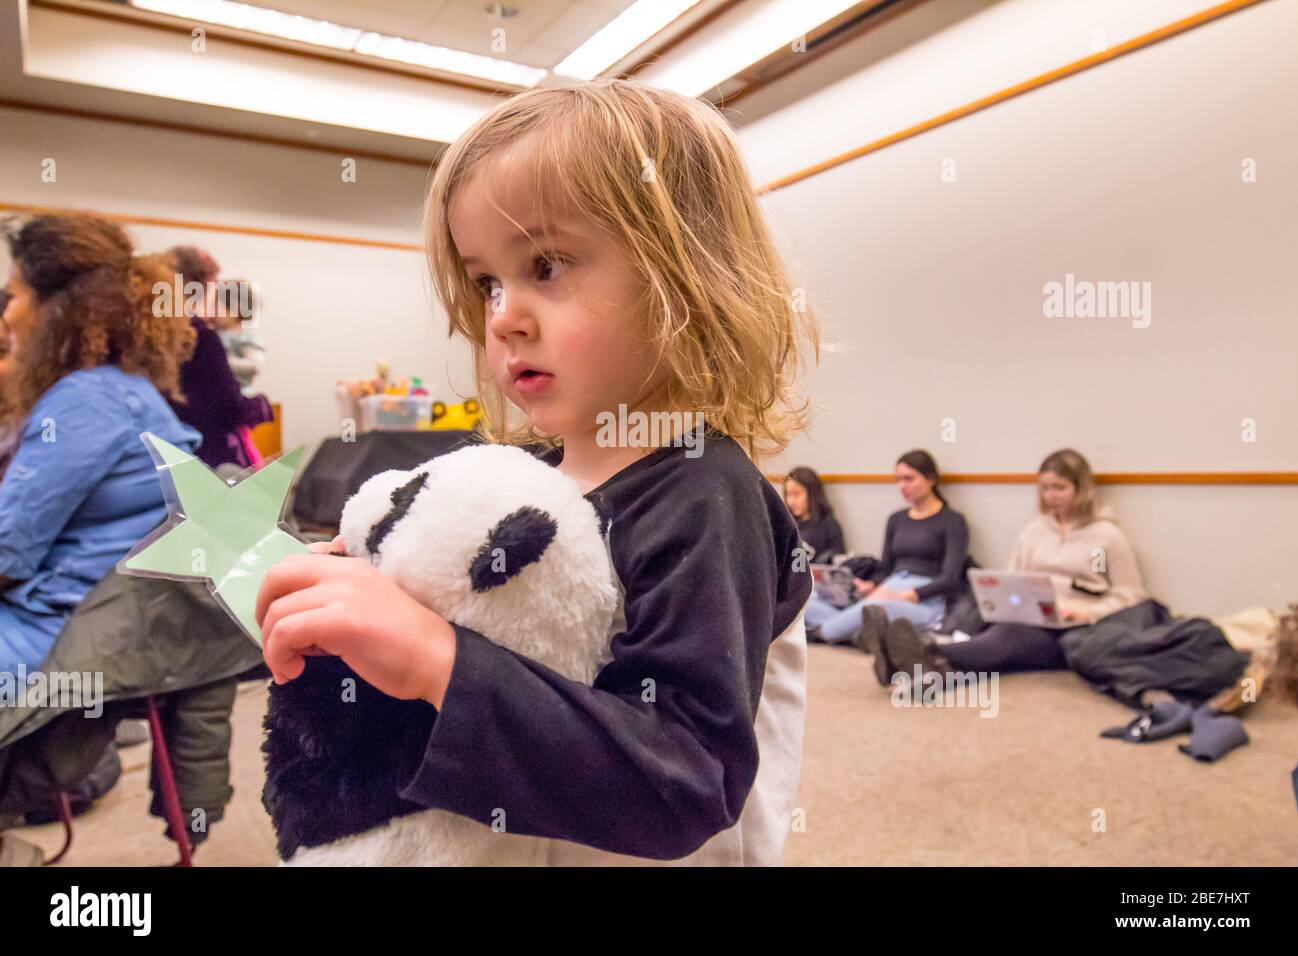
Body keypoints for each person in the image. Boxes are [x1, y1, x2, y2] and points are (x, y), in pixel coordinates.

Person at [254, 79, 819, 865]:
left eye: (547, 265)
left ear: (683, 274)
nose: (503, 316)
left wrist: (436, 658)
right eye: (488, 281)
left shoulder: (705, 493)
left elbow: (690, 781)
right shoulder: (522, 475)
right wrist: (372, 597)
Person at [0, 214, 200, 673]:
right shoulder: (125, 390)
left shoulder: (85, 400)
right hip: (109, 623)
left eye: (16, 295)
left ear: (56, 309)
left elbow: (7, 553)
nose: (7, 313)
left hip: (55, 637)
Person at [877, 447, 1146, 682]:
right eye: (1045, 488)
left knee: (1007, 639)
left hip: (1075, 628)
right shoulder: (1035, 532)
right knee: (983, 619)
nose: (1051, 495)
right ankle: (921, 661)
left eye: (1060, 487)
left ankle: (925, 655)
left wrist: (1085, 612)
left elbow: (1128, 597)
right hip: (1032, 616)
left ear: (1081, 489)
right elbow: (1013, 579)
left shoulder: (1104, 538)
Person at [805, 450, 969, 664]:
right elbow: (885, 567)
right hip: (889, 587)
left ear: (930, 479)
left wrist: (905, 596)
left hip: (924, 600)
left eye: (909, 479)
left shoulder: (953, 521)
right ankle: (855, 634)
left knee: (874, 609)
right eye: (898, 479)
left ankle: (820, 634)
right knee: (811, 598)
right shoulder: (897, 519)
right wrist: (871, 584)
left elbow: (950, 578)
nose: (902, 486)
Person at [164, 247, 272, 471]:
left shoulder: (234, 337)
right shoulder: (201, 335)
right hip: (209, 439)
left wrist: (226, 362)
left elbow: (253, 366)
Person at [785, 466, 845, 563]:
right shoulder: (786, 525)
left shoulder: (829, 526)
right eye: (788, 494)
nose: (791, 501)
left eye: (796, 494)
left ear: (812, 494)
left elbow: (836, 565)